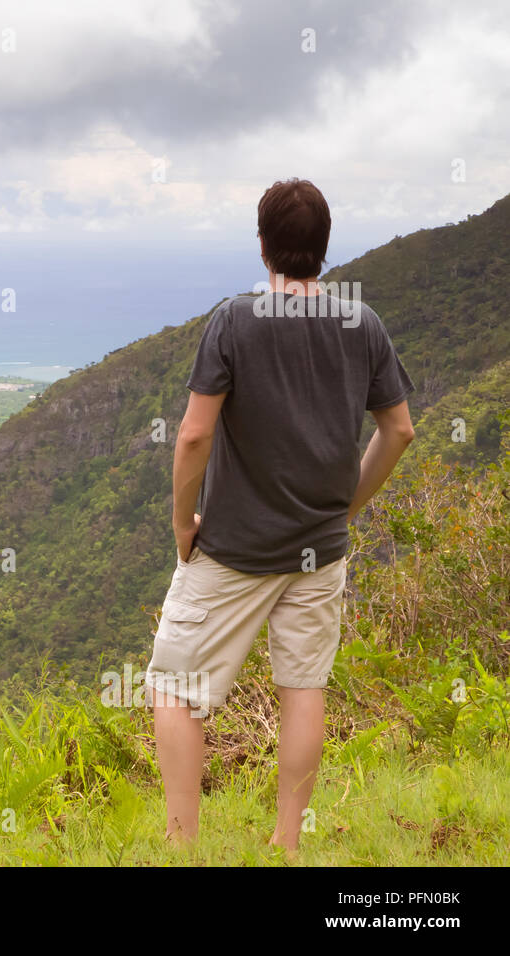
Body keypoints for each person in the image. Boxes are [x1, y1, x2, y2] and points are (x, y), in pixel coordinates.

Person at [146, 178, 416, 850]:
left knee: (175, 689)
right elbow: (400, 429)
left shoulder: (235, 320)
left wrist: (184, 522)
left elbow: (193, 435)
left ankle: (182, 846)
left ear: (263, 245)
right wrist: (347, 505)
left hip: (234, 547)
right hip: (319, 550)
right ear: (322, 250)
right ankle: (286, 845)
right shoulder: (364, 323)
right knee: (303, 688)